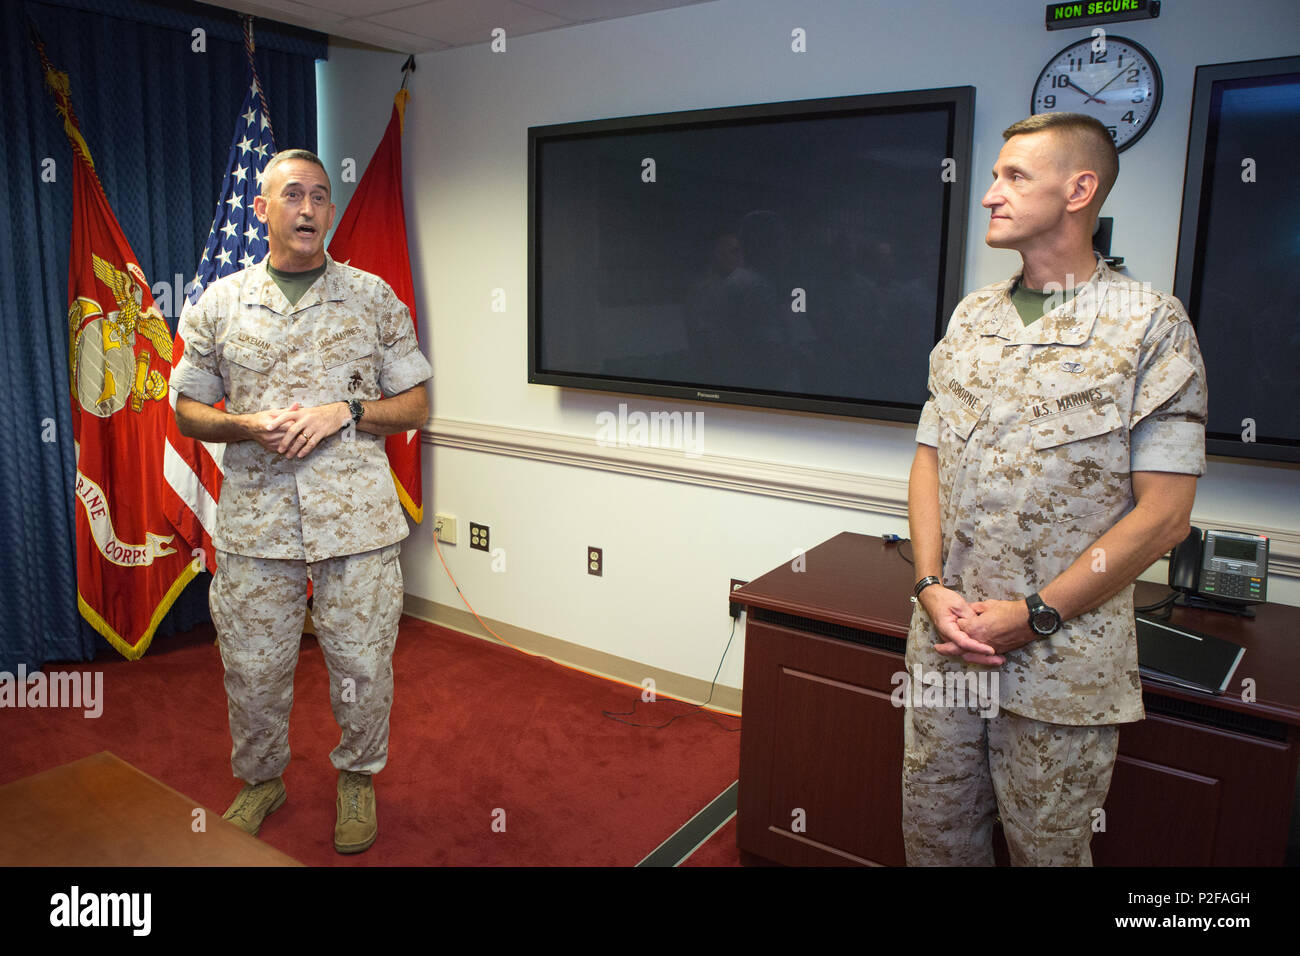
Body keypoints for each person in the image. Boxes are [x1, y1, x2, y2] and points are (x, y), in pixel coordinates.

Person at [903, 113, 1207, 866]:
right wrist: (928, 583)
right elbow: (928, 460)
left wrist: (1035, 614)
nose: (989, 196)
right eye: (995, 176)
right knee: (936, 840)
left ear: (1080, 190)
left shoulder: (1147, 324)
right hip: (948, 642)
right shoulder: (973, 318)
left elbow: (1165, 516)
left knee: (1049, 853)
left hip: (1060, 662)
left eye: (1013, 177)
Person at [171, 149, 432, 854]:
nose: (310, 208)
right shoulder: (219, 303)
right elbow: (188, 413)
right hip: (256, 523)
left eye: (321, 196)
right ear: (262, 210)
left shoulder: (372, 296)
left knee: (363, 663)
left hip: (357, 521)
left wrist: (346, 410)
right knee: (252, 668)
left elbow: (414, 403)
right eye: (293, 195)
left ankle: (356, 778)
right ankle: (261, 779)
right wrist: (245, 425)